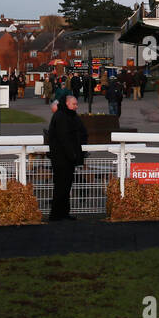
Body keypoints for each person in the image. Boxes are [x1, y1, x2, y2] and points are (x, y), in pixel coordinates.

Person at [47, 94, 87, 222]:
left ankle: (63, 213)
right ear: (67, 103)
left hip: (69, 158)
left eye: (76, 104)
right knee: (61, 186)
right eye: (74, 104)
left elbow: (81, 132)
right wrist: (73, 155)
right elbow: (63, 138)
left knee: (66, 186)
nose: (76, 106)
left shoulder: (71, 116)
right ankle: (56, 214)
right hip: (61, 158)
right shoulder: (60, 116)